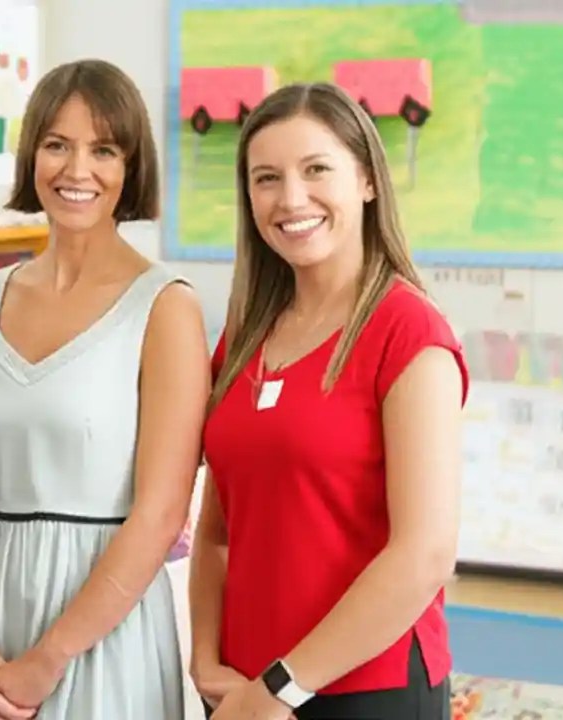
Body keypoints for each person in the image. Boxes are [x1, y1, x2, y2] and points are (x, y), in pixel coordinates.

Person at [192, 82, 467, 720]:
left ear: (367, 180)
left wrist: (279, 689)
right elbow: (216, 529)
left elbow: (424, 553)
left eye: (316, 169)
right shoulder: (246, 336)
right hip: (242, 691)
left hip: (365, 688)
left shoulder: (410, 333)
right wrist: (205, 658)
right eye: (267, 178)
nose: (291, 199)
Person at [0, 58, 209, 720]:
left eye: (103, 149)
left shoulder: (166, 308)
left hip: (104, 627)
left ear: (131, 166)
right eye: (57, 144)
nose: (76, 170)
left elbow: (161, 515)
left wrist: (50, 658)